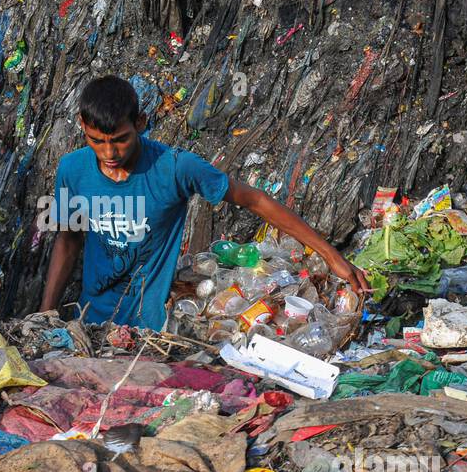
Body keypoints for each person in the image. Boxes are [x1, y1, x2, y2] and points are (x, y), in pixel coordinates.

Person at [38, 75, 369, 330]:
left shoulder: (174, 167)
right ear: (83, 127)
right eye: (97, 142)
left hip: (149, 328)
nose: (109, 153)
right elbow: (67, 241)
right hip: (91, 320)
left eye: (121, 140)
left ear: (140, 124)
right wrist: (44, 315)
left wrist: (330, 255)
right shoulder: (73, 169)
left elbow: (253, 199)